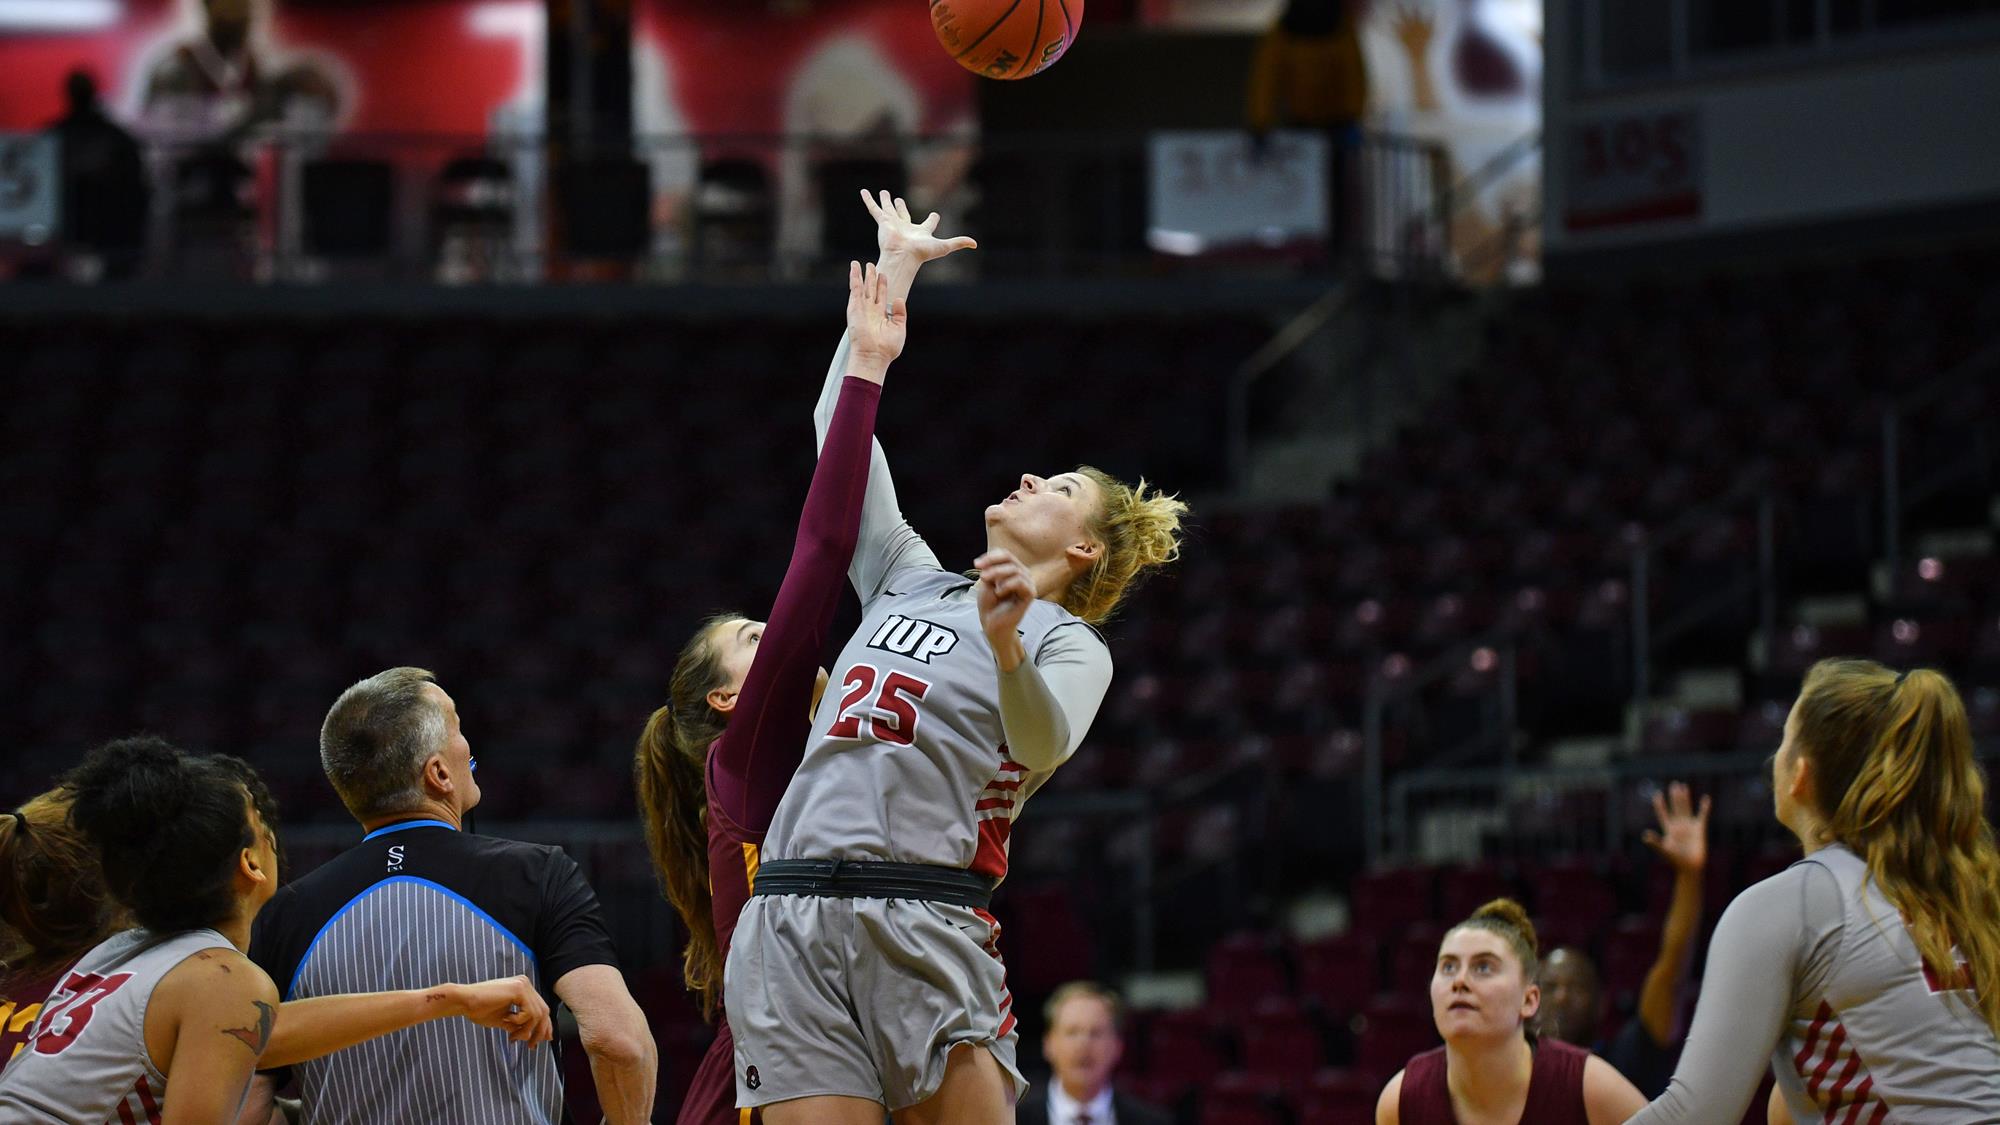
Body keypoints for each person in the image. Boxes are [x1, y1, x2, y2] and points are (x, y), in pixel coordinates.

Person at [724, 190, 1189, 1125]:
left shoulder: (1069, 642)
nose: (1027, 476)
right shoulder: (906, 570)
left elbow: (1041, 737)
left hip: (925, 912)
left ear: (1086, 549)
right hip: (790, 908)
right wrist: (882, 313)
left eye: (1057, 485)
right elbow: (837, 447)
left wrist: (1011, 641)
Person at [637, 211, 972, 1124]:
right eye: (753, 636)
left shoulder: (821, 747)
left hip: (832, 1036)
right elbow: (823, 550)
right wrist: (868, 359)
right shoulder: (749, 753)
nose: (778, 638)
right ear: (727, 696)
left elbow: (830, 446)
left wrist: (886, 299)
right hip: (778, 1066)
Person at [0, 738, 553, 1122]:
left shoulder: (131, 955)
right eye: (264, 827)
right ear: (252, 865)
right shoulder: (223, 981)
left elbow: (264, 1033)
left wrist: (448, 999)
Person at [240, 669, 657, 1124]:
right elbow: (617, 1041)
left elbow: (247, 1102)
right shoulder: (537, 874)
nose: (468, 746)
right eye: (457, 728)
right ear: (438, 773)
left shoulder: (286, 913)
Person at [1626, 660, 2000, 1123]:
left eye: (1783, 740)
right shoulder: (1958, 888)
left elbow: (1695, 1114)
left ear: (1800, 773)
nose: (1773, 759)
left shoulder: (1792, 903)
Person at [1376, 899, 1647, 1125]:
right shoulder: (1401, 1099)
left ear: (1528, 1000)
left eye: (1483, 967)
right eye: (1448, 967)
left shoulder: (1590, 1086)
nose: (1459, 981)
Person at [1538, 782, 1710, 1098]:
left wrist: (1689, 877)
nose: (1561, 997)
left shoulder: (1627, 1060)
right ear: (1528, 1001)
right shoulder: (1511, 1080)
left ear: (1601, 1003)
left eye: (1576, 987)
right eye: (1550, 987)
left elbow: (1672, 971)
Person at [1016, 982, 1170, 1125]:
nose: (1083, 1045)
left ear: (1117, 1046)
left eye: (1096, 1033)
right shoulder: (1012, 1119)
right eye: (1072, 1032)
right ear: (1048, 1044)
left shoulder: (1152, 1121)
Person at [44, 70, 148, 280]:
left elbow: (135, 190)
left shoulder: (117, 139)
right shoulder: (53, 138)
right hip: (66, 234)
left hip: (109, 235)